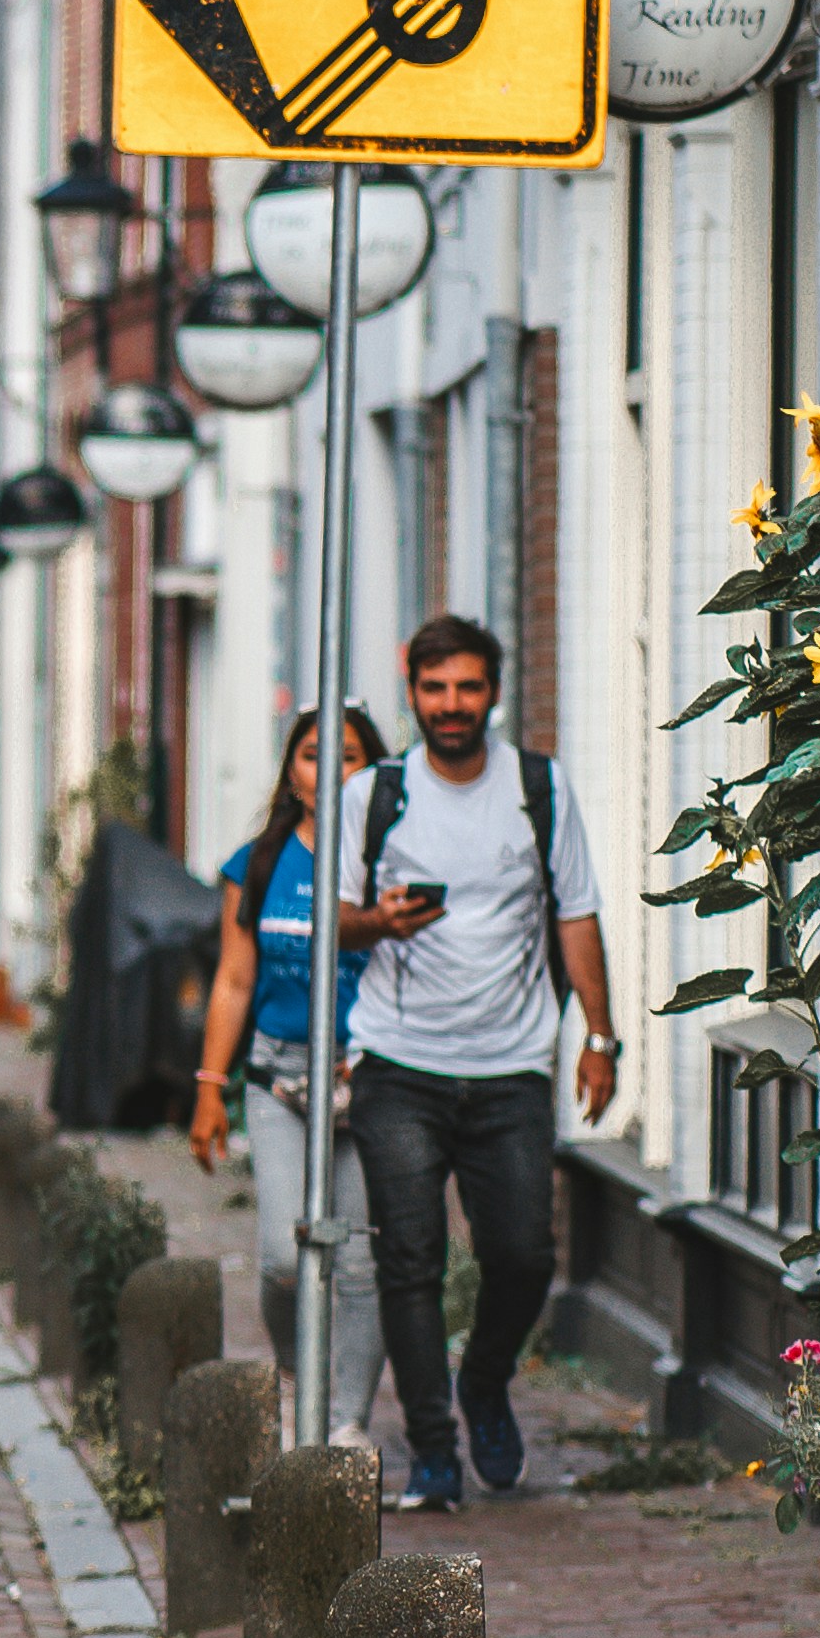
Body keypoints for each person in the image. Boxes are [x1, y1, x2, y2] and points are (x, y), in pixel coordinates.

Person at [331, 609, 619, 1512]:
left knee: (524, 1254)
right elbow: (335, 914)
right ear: (410, 693)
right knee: (408, 1260)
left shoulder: (538, 787)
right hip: (398, 1063)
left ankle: (483, 1381)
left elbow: (575, 912)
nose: (450, 705)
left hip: (511, 1066)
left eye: (466, 687)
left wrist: (600, 1039)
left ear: (492, 693)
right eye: (433, 688)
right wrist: (381, 922)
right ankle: (429, 1453)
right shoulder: (371, 795)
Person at [189, 702, 388, 1435]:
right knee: (281, 1256)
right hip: (276, 1079)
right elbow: (233, 982)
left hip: (370, 1081)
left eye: (347, 756)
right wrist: (209, 1090)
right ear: (290, 770)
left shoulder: (394, 859)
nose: (328, 771)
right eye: (312, 755)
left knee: (362, 1266)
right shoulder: (259, 864)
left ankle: (344, 1426)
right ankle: (303, 1383)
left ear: (373, 770)